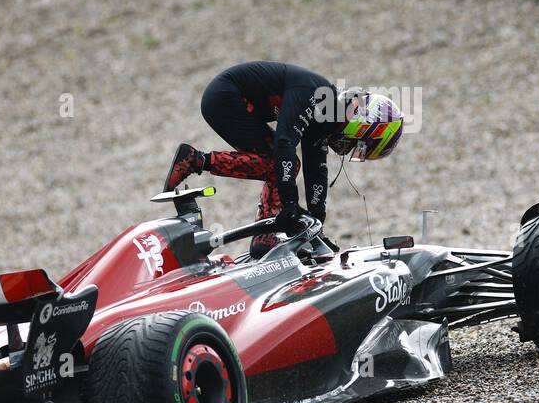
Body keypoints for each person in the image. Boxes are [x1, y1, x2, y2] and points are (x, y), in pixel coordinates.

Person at [163, 61, 404, 257]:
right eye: (358, 146)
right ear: (361, 122)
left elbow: (316, 172)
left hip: (231, 98)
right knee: (278, 161)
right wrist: (290, 204)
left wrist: (316, 229)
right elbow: (285, 143)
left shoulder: (326, 115)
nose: (348, 150)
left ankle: (264, 237)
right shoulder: (317, 95)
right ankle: (195, 160)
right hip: (224, 97)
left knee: (281, 164)